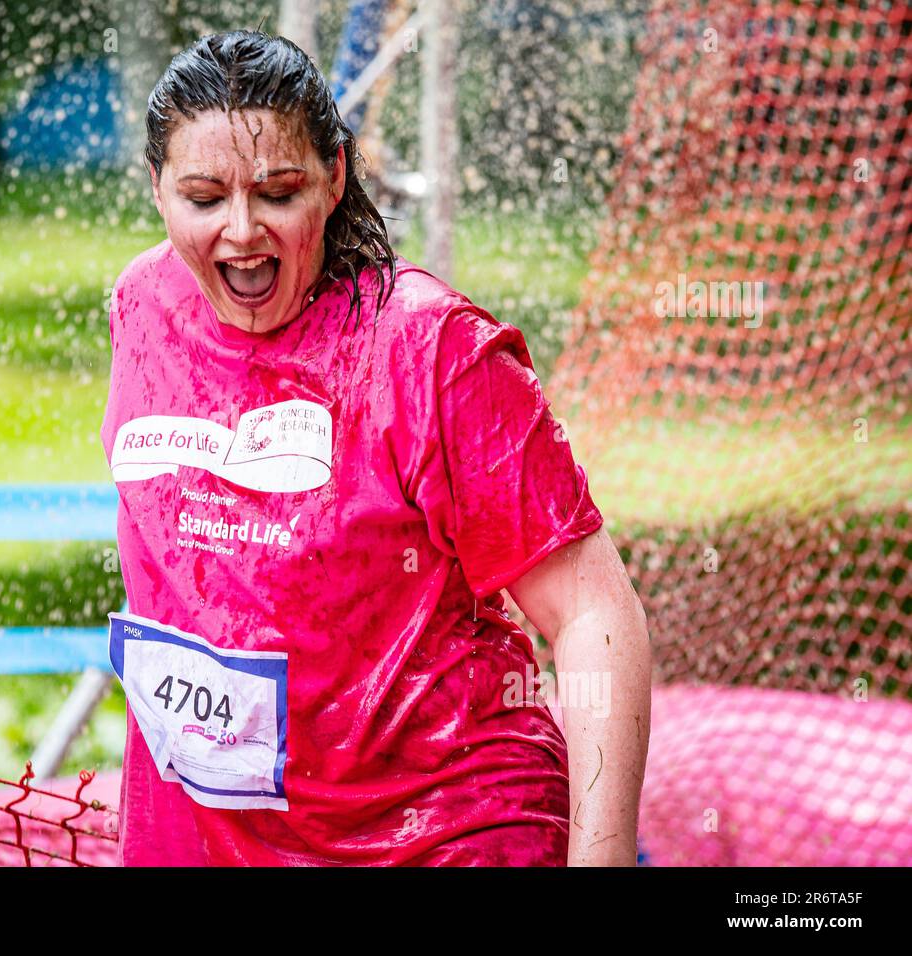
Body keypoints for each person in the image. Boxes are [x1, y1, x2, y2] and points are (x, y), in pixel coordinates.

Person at [99, 29, 651, 866]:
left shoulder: (431, 350)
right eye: (204, 198)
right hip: (209, 840)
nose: (241, 232)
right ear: (156, 187)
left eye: (278, 192)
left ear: (335, 177)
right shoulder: (143, 305)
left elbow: (593, 612)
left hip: (443, 831)